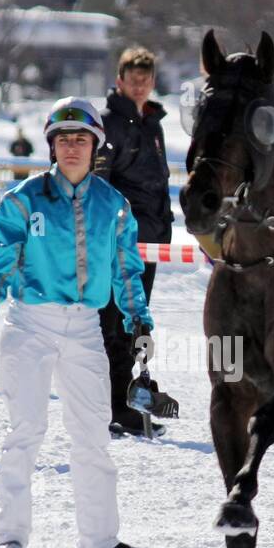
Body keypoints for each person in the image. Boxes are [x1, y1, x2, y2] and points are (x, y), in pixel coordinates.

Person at [0, 97, 153, 548]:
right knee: (25, 431)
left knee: (93, 435)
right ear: (51, 146)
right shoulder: (21, 200)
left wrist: (139, 322)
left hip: (86, 329)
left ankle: (101, 540)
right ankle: (11, 535)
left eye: (81, 139)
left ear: (95, 147)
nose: (72, 147)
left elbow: (128, 270)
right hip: (31, 323)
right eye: (63, 139)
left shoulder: (115, 206)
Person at [93, 46, 179, 436]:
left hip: (150, 242)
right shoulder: (109, 123)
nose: (140, 85)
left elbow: (156, 186)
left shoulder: (152, 124)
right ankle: (114, 408)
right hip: (120, 245)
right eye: (133, 79)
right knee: (114, 327)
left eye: (146, 79)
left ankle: (129, 399)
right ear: (120, 81)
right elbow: (101, 186)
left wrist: (162, 229)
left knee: (134, 326)